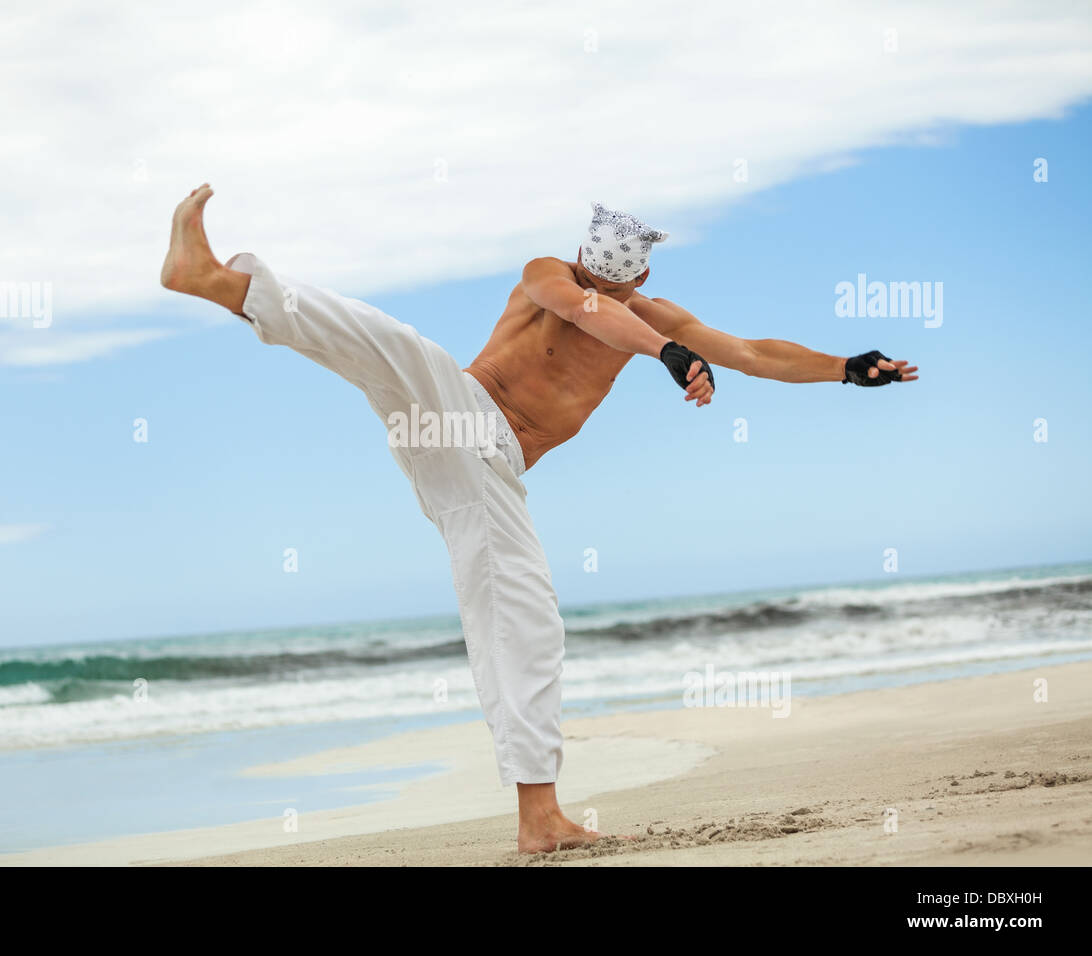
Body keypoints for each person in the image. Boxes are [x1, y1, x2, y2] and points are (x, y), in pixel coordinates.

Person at [160, 186, 919, 853]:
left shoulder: (655, 319)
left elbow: (753, 352)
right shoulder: (548, 280)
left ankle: (539, 820)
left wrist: (846, 368)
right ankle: (223, 283)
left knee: (524, 620)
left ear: (642, 276)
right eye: (589, 272)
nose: (594, 284)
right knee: (395, 346)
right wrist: (667, 354)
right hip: (459, 420)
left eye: (610, 279)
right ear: (581, 259)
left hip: (484, 473)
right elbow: (587, 310)